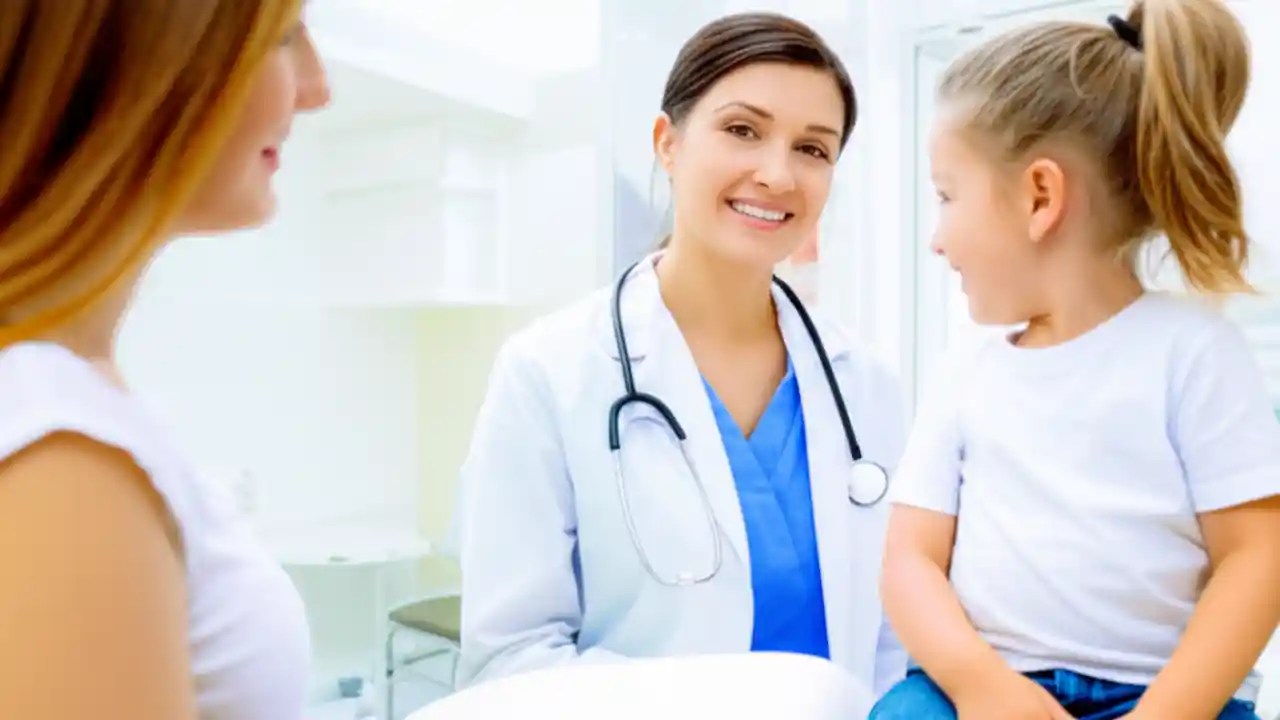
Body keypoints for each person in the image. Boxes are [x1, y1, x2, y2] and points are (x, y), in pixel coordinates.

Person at [456, 11, 908, 701]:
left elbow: (890, 641)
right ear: (668, 143)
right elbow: (509, 660)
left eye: (814, 149)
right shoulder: (548, 372)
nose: (778, 174)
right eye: (742, 130)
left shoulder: (866, 385)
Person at [872, 1, 1280, 718]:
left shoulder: (1193, 351)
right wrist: (982, 687)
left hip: (1164, 697)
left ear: (1040, 197)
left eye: (947, 196)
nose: (936, 240)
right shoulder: (967, 368)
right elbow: (910, 561)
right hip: (983, 688)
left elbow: (1258, 557)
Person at [0, 3, 330, 718]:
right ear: (142, 53)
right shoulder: (60, 447)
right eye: (283, 38)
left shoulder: (64, 396)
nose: (316, 86)